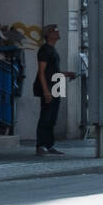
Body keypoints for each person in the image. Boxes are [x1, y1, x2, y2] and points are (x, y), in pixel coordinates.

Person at [33, 24, 77, 156]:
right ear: (49, 34)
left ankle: (49, 144)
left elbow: (53, 71)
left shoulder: (52, 50)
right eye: (55, 31)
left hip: (57, 85)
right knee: (46, 117)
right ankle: (41, 145)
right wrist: (46, 91)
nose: (58, 32)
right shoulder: (45, 50)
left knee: (52, 118)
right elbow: (41, 72)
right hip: (49, 87)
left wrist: (66, 74)